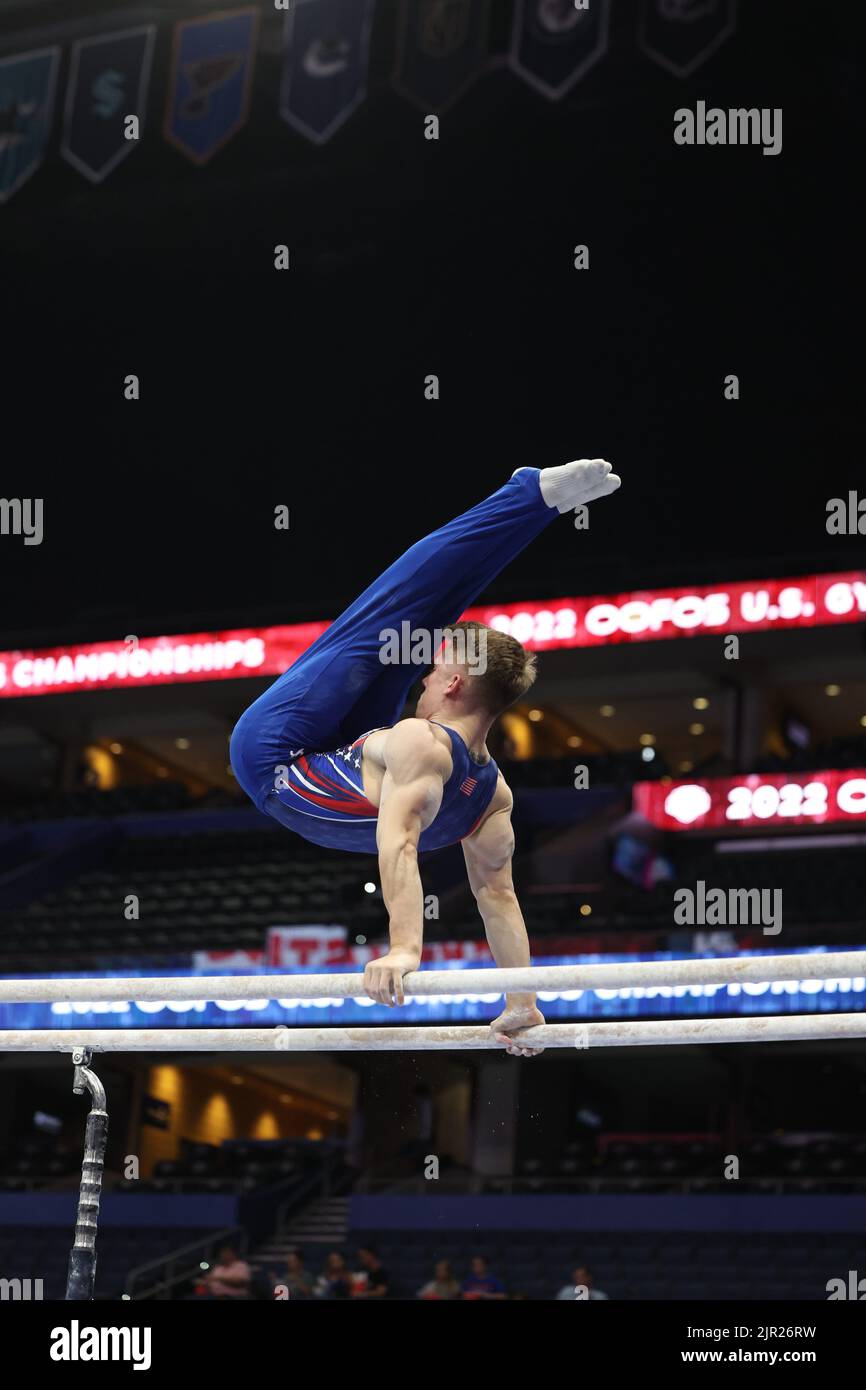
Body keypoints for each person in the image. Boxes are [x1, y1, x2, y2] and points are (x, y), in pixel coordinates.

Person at [230, 460, 621, 1055]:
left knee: (395, 611)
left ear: (457, 684)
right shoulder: (492, 793)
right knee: (421, 619)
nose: (424, 677)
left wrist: (405, 947)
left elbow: (400, 844)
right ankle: (536, 505)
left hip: (274, 754)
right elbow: (498, 897)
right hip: (339, 755)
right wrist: (523, 1003)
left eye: (435, 670)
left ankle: (528, 496)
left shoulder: (419, 741)